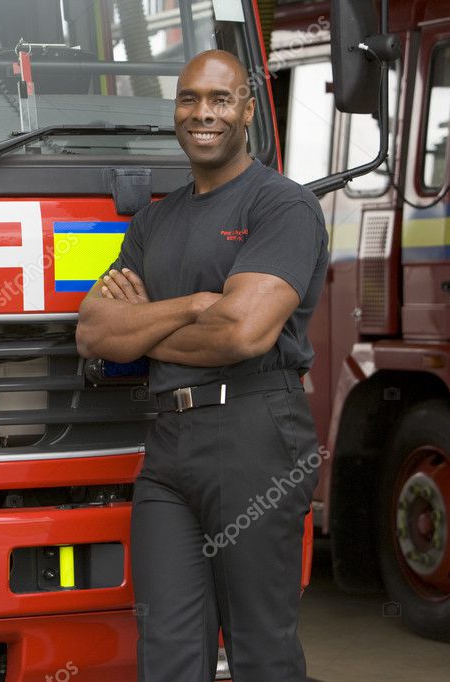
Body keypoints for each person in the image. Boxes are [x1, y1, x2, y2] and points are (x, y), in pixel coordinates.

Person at [75, 49, 329, 681]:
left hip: (254, 434)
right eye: (189, 99)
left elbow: (242, 333)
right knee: (166, 650)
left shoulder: (283, 207)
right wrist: (192, 306)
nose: (202, 113)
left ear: (247, 110)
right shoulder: (153, 220)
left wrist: (141, 330)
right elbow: (94, 331)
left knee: (261, 650)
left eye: (220, 99)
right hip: (167, 447)